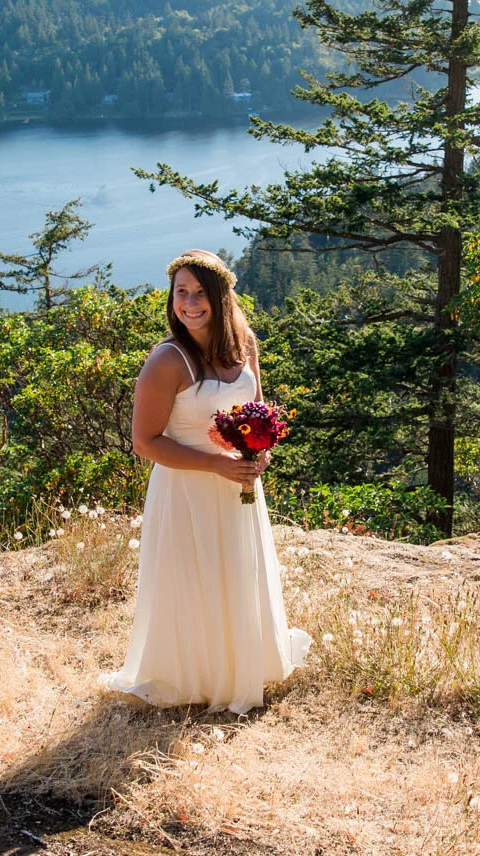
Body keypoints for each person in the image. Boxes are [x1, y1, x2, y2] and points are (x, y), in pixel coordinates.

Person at [97, 249, 312, 714]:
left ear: (220, 296)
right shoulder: (167, 361)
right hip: (186, 489)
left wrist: (261, 451)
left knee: (238, 573)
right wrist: (216, 465)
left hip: (239, 485)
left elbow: (259, 411)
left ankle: (244, 664)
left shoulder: (245, 344)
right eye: (181, 292)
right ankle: (196, 675)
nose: (189, 303)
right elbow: (145, 442)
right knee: (193, 581)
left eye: (199, 293)